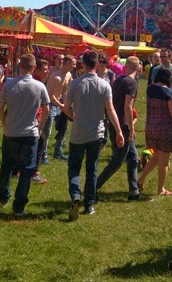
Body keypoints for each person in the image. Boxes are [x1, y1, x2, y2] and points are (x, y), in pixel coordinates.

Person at [64, 50, 124, 220]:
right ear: (97, 64)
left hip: (78, 132)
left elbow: (66, 107)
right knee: (92, 168)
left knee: (74, 167)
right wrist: (119, 131)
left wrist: (73, 117)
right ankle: (89, 204)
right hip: (96, 133)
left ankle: (75, 196)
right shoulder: (104, 85)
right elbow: (110, 110)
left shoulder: (75, 83)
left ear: (83, 64)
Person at [0, 54, 50, 216]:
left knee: (7, 166)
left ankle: (3, 195)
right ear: (34, 68)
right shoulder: (40, 86)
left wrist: (4, 123)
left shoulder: (9, 84)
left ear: (19, 66)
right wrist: (39, 127)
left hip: (11, 132)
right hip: (30, 133)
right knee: (26, 170)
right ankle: (19, 207)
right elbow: (46, 109)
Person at [96, 56, 151, 201]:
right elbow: (128, 107)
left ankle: (134, 192)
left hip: (114, 122)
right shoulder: (132, 83)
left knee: (133, 159)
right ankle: (93, 187)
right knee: (117, 161)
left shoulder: (119, 80)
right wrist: (131, 128)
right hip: (123, 125)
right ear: (138, 68)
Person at [137, 67, 172, 196]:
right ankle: (161, 189)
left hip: (150, 127)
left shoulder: (150, 89)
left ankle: (140, 180)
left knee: (156, 157)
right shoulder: (169, 93)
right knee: (164, 161)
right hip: (164, 129)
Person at [47, 55, 74, 160]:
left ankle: (58, 152)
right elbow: (50, 95)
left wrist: (66, 105)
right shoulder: (56, 77)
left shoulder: (68, 75)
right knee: (47, 131)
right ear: (67, 63)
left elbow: (64, 91)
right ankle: (43, 155)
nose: (75, 66)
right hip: (50, 104)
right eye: (73, 64)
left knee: (63, 128)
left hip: (60, 104)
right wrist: (60, 105)